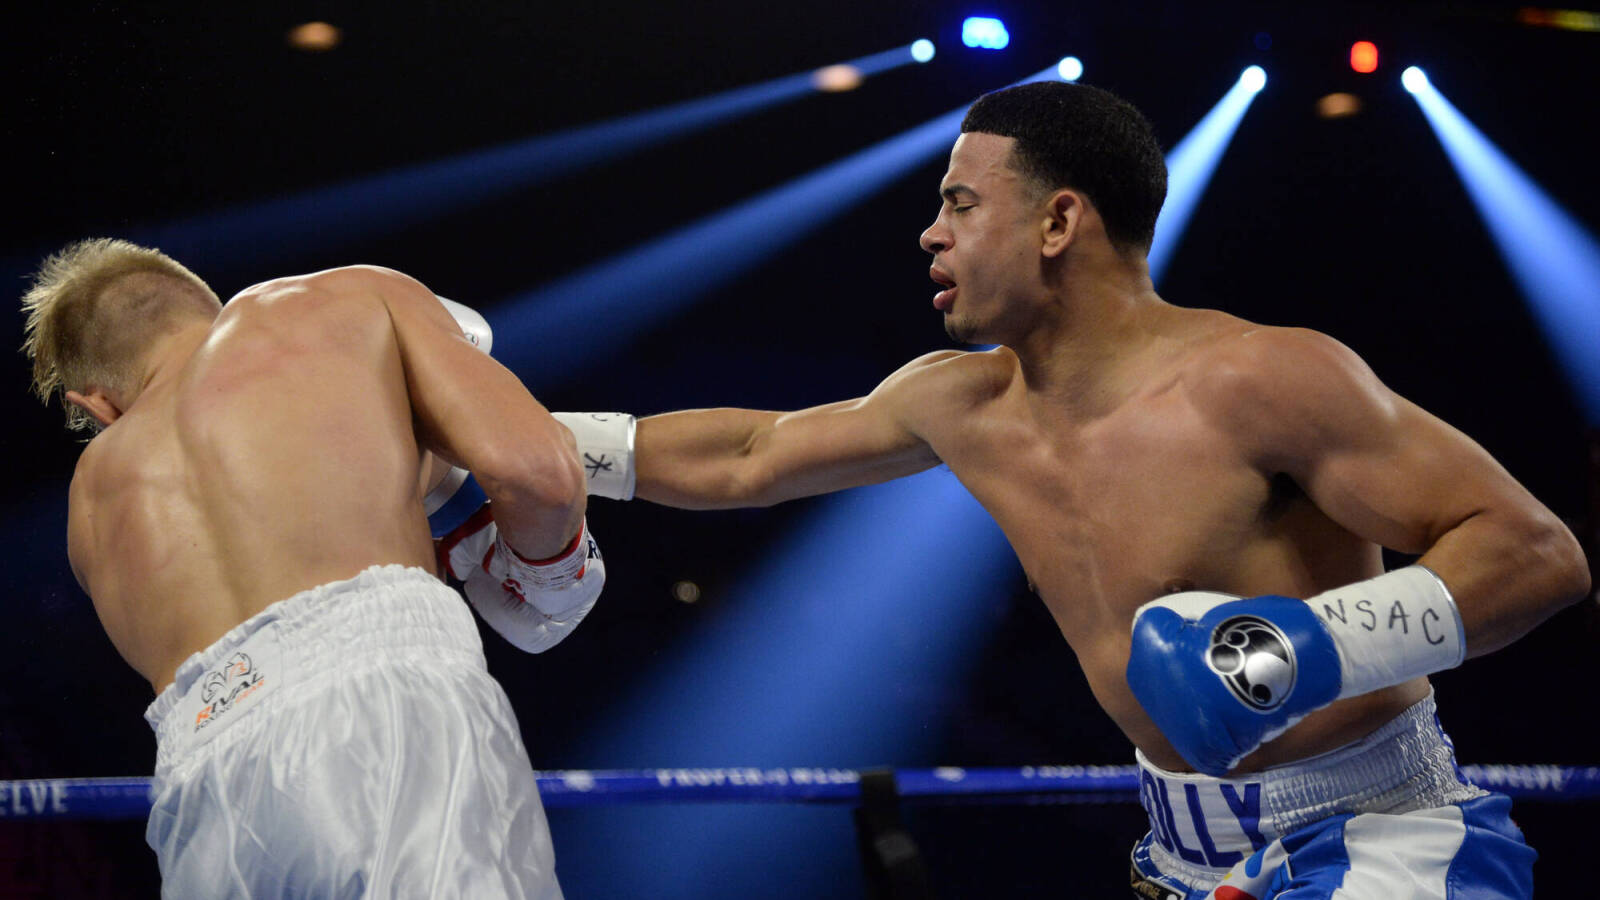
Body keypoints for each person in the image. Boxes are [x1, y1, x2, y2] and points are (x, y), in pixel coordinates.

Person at [553, 82, 1590, 898]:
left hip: (1371, 836)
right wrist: (520, 442)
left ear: (1058, 221)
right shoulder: (958, 401)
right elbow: (747, 455)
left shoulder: (1260, 381)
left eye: (960, 202)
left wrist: (1296, 653)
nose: (931, 233)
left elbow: (1535, 552)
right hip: (1177, 858)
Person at [20, 239, 606, 899]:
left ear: (95, 405)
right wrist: (551, 573)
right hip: (386, 714)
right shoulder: (331, 302)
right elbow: (538, 472)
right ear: (205, 307)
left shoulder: (88, 508)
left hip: (202, 785)